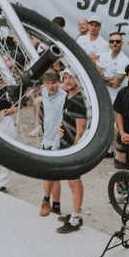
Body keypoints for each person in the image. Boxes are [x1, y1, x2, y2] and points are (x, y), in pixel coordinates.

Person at [40, 69, 88, 233]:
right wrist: (61, 126)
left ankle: (75, 220)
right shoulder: (69, 96)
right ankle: (75, 214)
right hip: (64, 144)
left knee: (74, 183)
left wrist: (73, 152)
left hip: (72, 148)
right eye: (65, 78)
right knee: (71, 183)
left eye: (71, 78)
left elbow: (80, 131)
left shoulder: (80, 100)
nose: (67, 81)